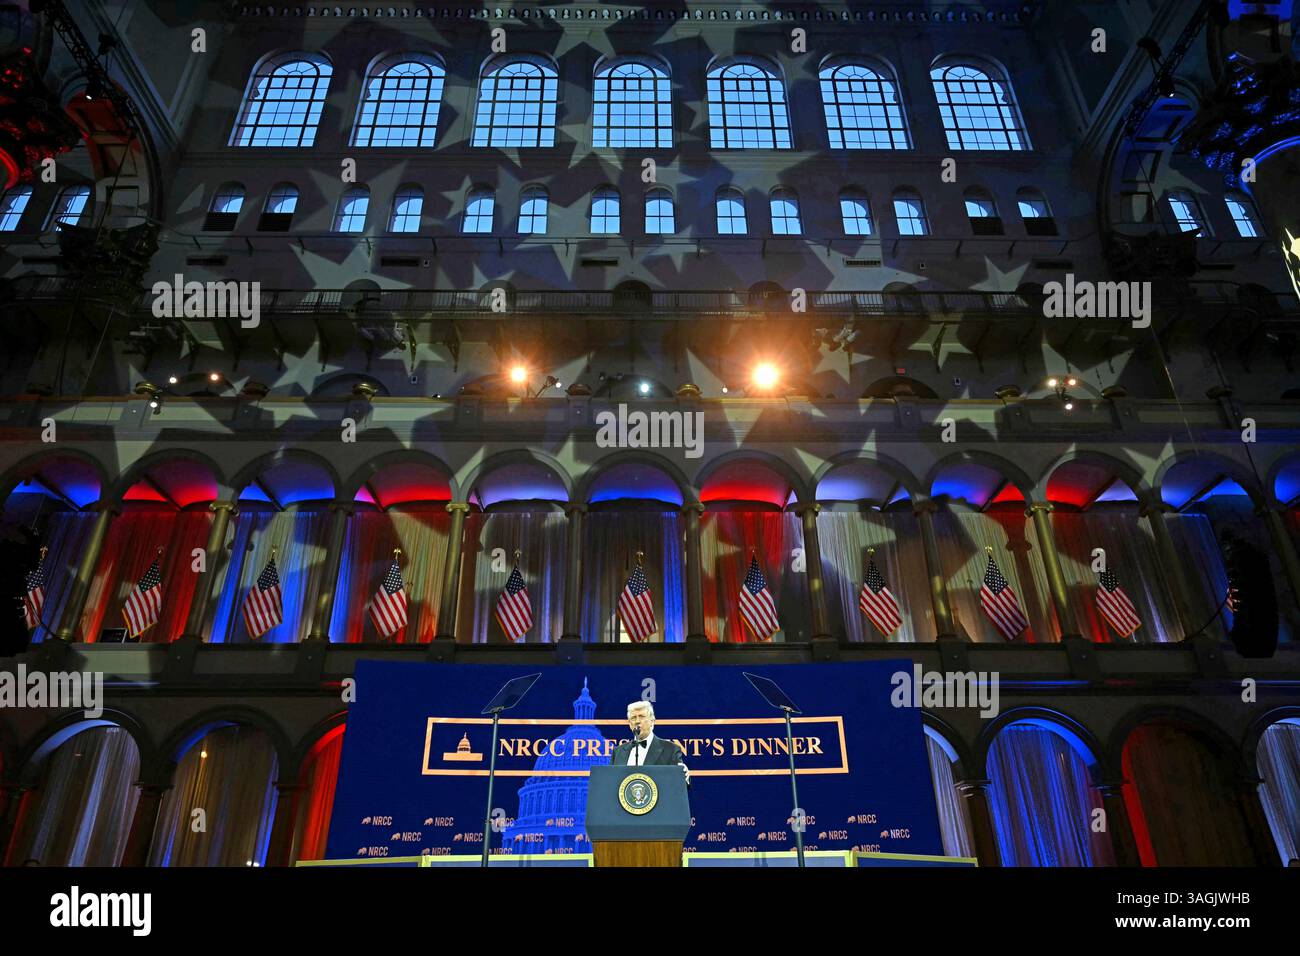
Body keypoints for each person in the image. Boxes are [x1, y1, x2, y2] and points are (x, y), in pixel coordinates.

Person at [611, 700, 690, 786]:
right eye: (633, 718)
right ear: (629, 724)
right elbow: (610, 783)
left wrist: (684, 776)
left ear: (652, 721)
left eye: (641, 716)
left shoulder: (670, 750)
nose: (637, 721)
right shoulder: (618, 752)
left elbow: (679, 784)